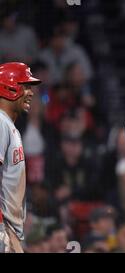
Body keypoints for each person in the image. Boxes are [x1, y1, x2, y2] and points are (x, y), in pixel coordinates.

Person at [0, 62, 41, 252]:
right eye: (25, 86)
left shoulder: (8, 125)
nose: (30, 92)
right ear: (9, 88)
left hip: (10, 229)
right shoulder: (0, 122)